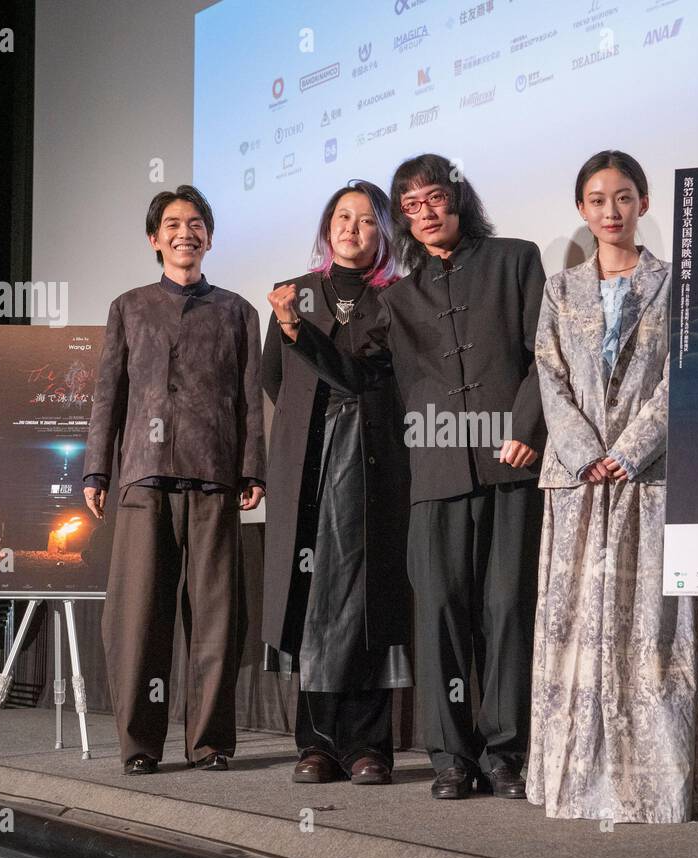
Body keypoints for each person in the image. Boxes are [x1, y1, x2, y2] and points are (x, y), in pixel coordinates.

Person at [276, 154, 546, 800]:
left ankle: (505, 753)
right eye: (411, 205)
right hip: (434, 475)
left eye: (434, 198)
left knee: (508, 612)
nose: (424, 212)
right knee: (442, 620)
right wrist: (294, 330)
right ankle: (453, 757)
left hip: (510, 468)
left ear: (458, 198)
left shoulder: (516, 260)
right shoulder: (397, 296)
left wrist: (527, 427)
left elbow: (547, 353)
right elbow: (357, 376)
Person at [527, 150, 698, 823]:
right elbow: (549, 378)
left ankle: (656, 786)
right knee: (576, 632)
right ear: (581, 209)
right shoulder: (559, 290)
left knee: (653, 633)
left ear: (641, 204)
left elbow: (687, 374)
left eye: (623, 197)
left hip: (653, 478)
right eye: (596, 199)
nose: (610, 211)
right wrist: (588, 454)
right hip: (579, 485)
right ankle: (575, 780)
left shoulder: (678, 284)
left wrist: (631, 450)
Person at [83, 185, 265, 775]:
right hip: (144, 477)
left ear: (209, 236)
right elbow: (109, 394)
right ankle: (140, 747)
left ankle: (210, 743)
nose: (185, 232)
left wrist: (251, 468)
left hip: (213, 477)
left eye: (196, 223)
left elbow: (248, 403)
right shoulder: (129, 306)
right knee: (138, 620)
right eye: (173, 224)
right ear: (154, 239)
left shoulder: (238, 311)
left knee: (214, 620)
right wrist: (97, 467)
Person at [261, 180, 411, 786]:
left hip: (375, 461)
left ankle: (369, 745)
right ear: (328, 228)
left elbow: (377, 380)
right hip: (310, 463)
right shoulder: (294, 294)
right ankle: (316, 744)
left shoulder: (398, 299)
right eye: (341, 218)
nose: (352, 229)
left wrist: (304, 337)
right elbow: (275, 377)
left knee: (367, 599)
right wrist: (310, 427)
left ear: (384, 233)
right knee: (311, 601)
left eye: (367, 220)